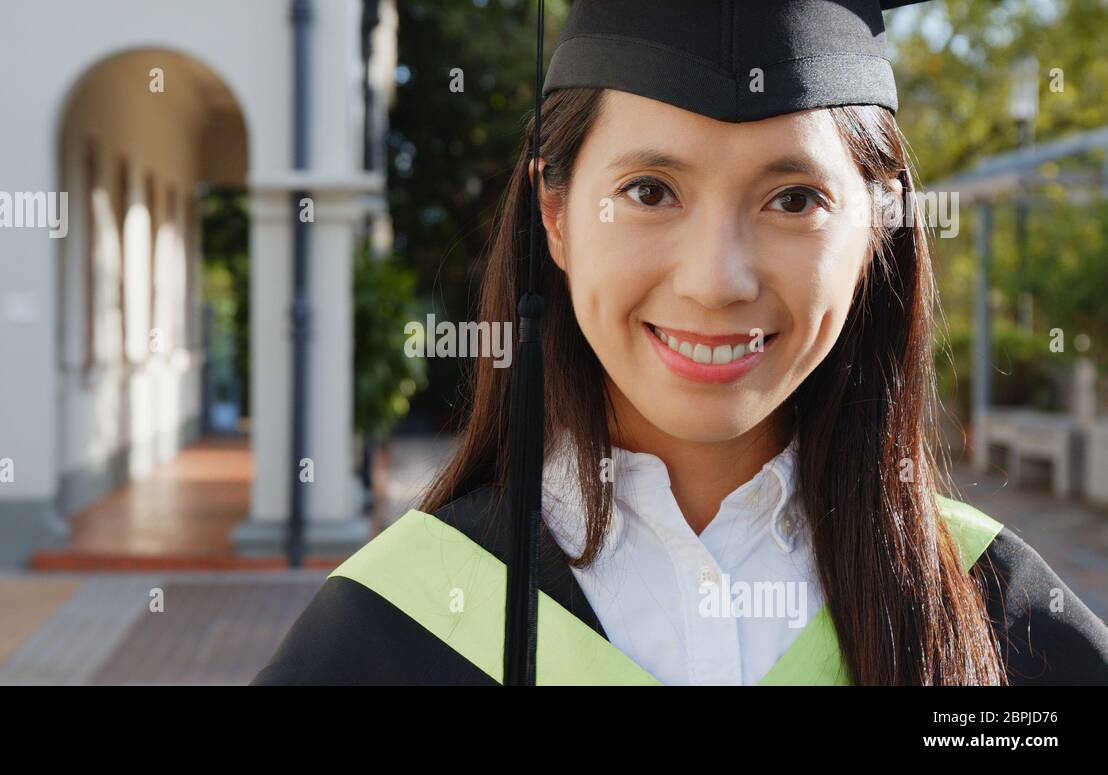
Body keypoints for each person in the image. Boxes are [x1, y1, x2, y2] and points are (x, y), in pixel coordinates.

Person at [252, 0, 1108, 685]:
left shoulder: (1002, 623)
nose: (715, 279)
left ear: (878, 229)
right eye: (650, 189)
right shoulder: (394, 628)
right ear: (556, 213)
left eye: (795, 198)